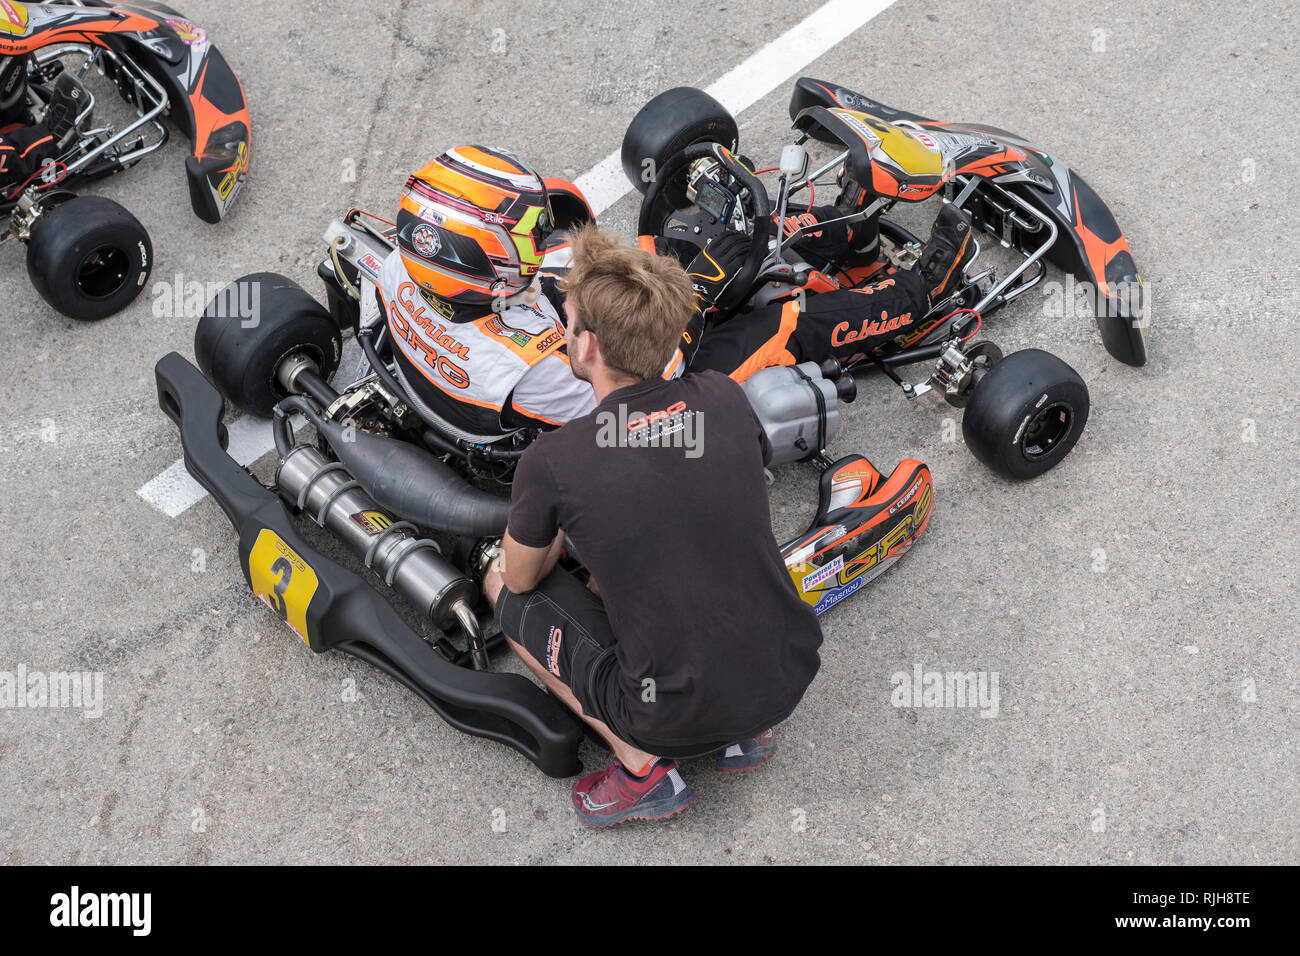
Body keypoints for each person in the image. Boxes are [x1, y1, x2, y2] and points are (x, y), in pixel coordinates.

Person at [479, 224, 824, 827]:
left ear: (586, 347)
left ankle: (642, 768)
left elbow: (524, 577)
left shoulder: (556, 460)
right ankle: (751, 734)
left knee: (499, 588)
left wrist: (553, 519)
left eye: (568, 320)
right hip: (786, 675)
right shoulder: (722, 397)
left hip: (667, 716)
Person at [377, 144, 975, 437]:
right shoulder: (532, 373)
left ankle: (838, 231)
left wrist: (674, 266)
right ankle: (922, 292)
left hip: (527, 345)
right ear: (484, 263)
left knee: (674, 250)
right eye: (526, 234)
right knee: (776, 325)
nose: (541, 233)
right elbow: (638, 397)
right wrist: (695, 294)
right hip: (629, 422)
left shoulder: (401, 270)